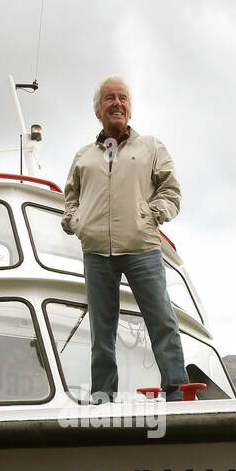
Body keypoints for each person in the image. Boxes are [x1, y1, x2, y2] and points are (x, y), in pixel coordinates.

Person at [62, 77, 189, 402]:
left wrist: (151, 215)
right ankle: (103, 397)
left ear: (130, 109)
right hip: (96, 253)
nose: (117, 103)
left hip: (142, 247)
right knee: (102, 333)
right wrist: (76, 222)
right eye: (109, 99)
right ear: (98, 110)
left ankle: (177, 392)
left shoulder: (151, 147)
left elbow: (170, 189)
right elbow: (71, 196)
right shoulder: (83, 156)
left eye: (122, 98)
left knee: (161, 320)